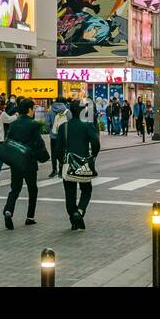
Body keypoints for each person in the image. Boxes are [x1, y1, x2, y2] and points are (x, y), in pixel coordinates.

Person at [1, 98, 49, 229]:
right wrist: (44, 156)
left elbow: (9, 140)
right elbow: (39, 143)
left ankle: (8, 210)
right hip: (29, 161)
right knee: (32, 188)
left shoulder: (14, 124)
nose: (33, 111)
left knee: (15, 189)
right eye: (33, 109)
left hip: (16, 161)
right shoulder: (33, 124)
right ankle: (30, 216)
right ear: (29, 110)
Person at [58, 99, 100, 230]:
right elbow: (96, 143)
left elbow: (58, 148)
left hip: (68, 163)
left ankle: (74, 217)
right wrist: (92, 156)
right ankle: (80, 211)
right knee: (86, 189)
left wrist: (62, 162)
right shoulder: (87, 125)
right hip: (83, 163)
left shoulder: (64, 126)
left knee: (69, 194)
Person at [48, 101, 70, 178]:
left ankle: (54, 170)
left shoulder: (51, 111)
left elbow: (48, 124)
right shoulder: (67, 111)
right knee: (63, 152)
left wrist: (51, 132)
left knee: (54, 153)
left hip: (53, 136)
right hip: (63, 136)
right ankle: (61, 170)